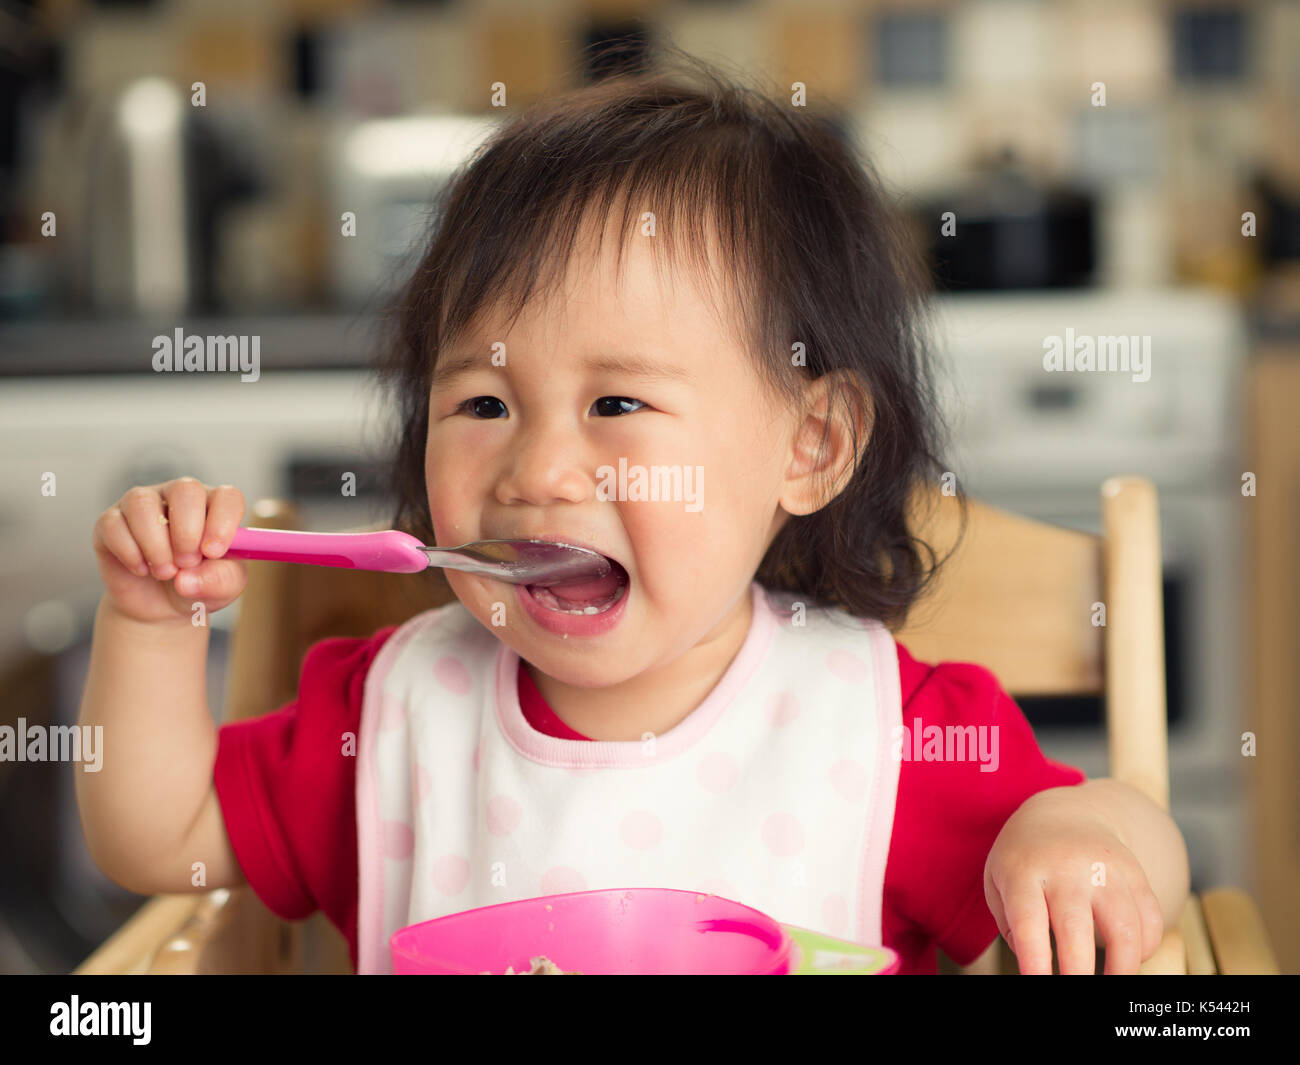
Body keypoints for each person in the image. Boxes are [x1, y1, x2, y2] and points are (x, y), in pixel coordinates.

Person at [77, 52, 1188, 975]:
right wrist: (150, 623)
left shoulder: (877, 732)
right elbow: (155, 839)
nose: (538, 469)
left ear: (811, 447)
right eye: (482, 402)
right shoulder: (394, 713)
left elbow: (1131, 828)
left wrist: (1078, 838)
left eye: (616, 401)